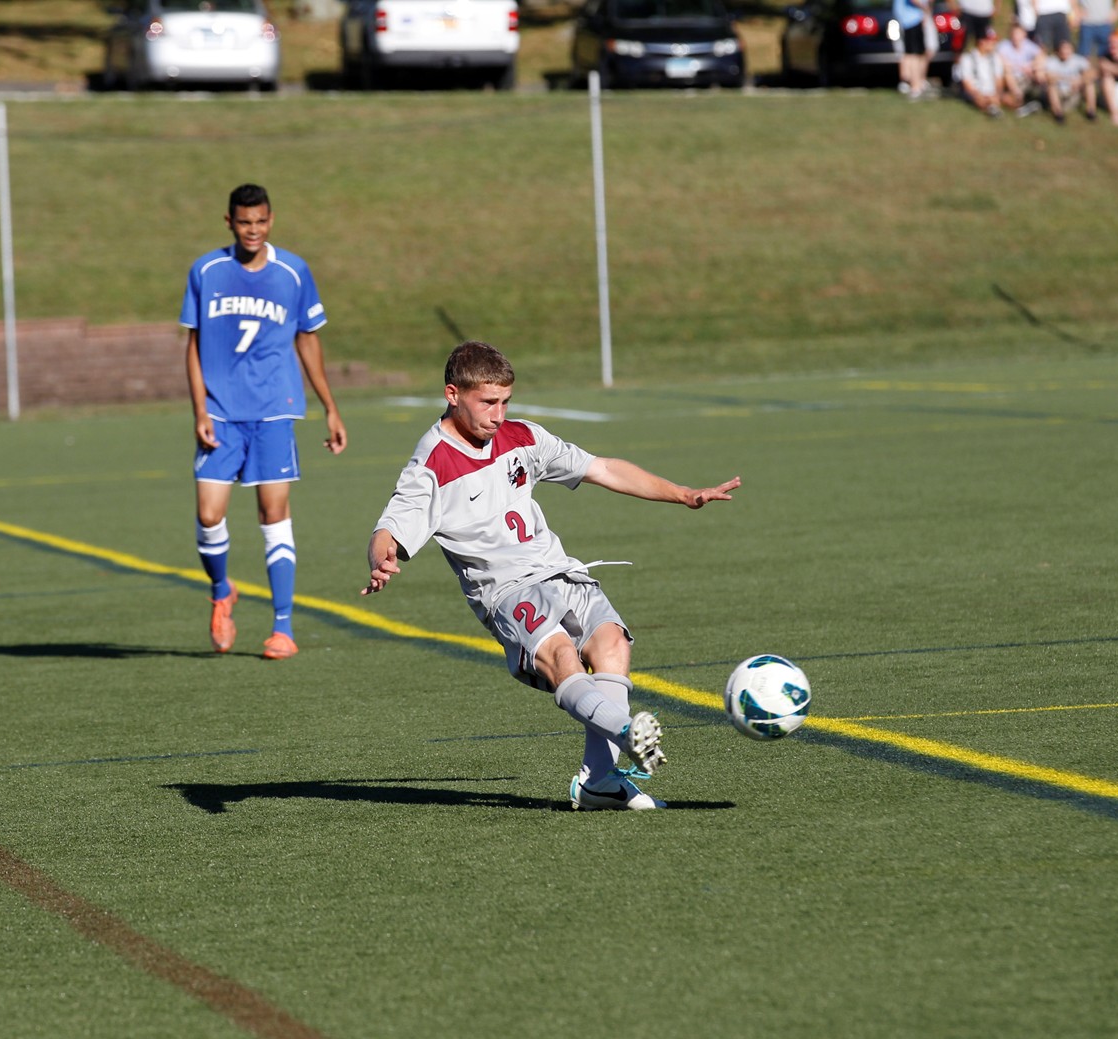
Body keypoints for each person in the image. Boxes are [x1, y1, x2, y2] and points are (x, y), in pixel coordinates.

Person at [361, 342, 739, 811]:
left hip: (559, 572)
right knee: (563, 657)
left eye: (505, 401)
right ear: (452, 394)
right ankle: (625, 734)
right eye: (487, 403)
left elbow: (600, 468)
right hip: (507, 592)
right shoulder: (432, 465)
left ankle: (601, 781)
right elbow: (390, 526)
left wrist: (682, 494)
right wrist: (382, 558)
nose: (499, 415)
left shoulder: (521, 436)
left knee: (612, 644)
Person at [182, 183, 348, 659]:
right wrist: (199, 410)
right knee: (209, 515)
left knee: (273, 514)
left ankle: (282, 628)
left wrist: (329, 406)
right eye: (243, 222)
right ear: (229, 222)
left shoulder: (293, 272)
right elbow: (192, 346)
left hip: (275, 410)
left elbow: (308, 339)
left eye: (260, 222)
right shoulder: (207, 271)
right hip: (219, 412)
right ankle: (221, 591)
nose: (252, 230)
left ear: (270, 221)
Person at [958, 28, 1021, 116]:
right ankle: (992, 109)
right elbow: (967, 84)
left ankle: (1013, 109)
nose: (994, 44)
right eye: (991, 41)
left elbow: (999, 80)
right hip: (976, 93)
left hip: (992, 92)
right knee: (980, 100)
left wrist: (997, 94)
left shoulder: (995, 57)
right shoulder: (967, 58)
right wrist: (981, 95)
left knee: (1011, 99)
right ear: (982, 42)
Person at [1043, 36, 1098, 122]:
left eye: (1068, 49)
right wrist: (1067, 79)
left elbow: (1092, 73)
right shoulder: (1052, 61)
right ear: (1058, 50)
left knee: (1089, 83)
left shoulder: (1078, 60)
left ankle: (1091, 111)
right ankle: (1058, 113)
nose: (1065, 51)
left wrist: (1080, 80)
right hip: (1059, 92)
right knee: (1051, 86)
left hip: (1073, 92)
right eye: (1063, 49)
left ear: (1072, 50)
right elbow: (1048, 76)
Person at [995, 22, 1045, 112]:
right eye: (1014, 34)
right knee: (1008, 70)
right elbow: (1003, 62)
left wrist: (1031, 65)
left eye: (1018, 34)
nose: (1016, 37)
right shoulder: (1004, 46)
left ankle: (1043, 95)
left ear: (1024, 34)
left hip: (1025, 76)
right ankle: (1018, 96)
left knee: (1040, 70)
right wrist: (1020, 67)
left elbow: (1041, 55)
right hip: (1010, 77)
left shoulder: (1028, 45)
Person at [894, 0, 934, 98]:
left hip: (914, 20)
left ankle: (917, 84)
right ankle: (915, 87)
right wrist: (925, 9)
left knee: (919, 53)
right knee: (913, 55)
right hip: (910, 21)